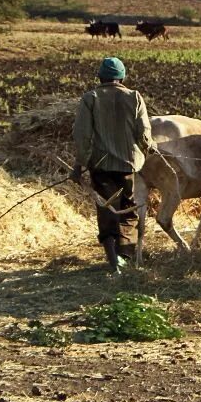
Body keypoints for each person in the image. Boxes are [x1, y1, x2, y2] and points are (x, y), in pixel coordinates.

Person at [71, 57, 154, 273]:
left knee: (107, 209)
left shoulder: (91, 98)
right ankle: (124, 255)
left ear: (100, 77)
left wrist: (78, 166)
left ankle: (112, 259)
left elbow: (82, 136)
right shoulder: (134, 97)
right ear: (123, 77)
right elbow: (143, 133)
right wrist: (149, 148)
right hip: (128, 166)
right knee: (127, 210)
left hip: (101, 167)